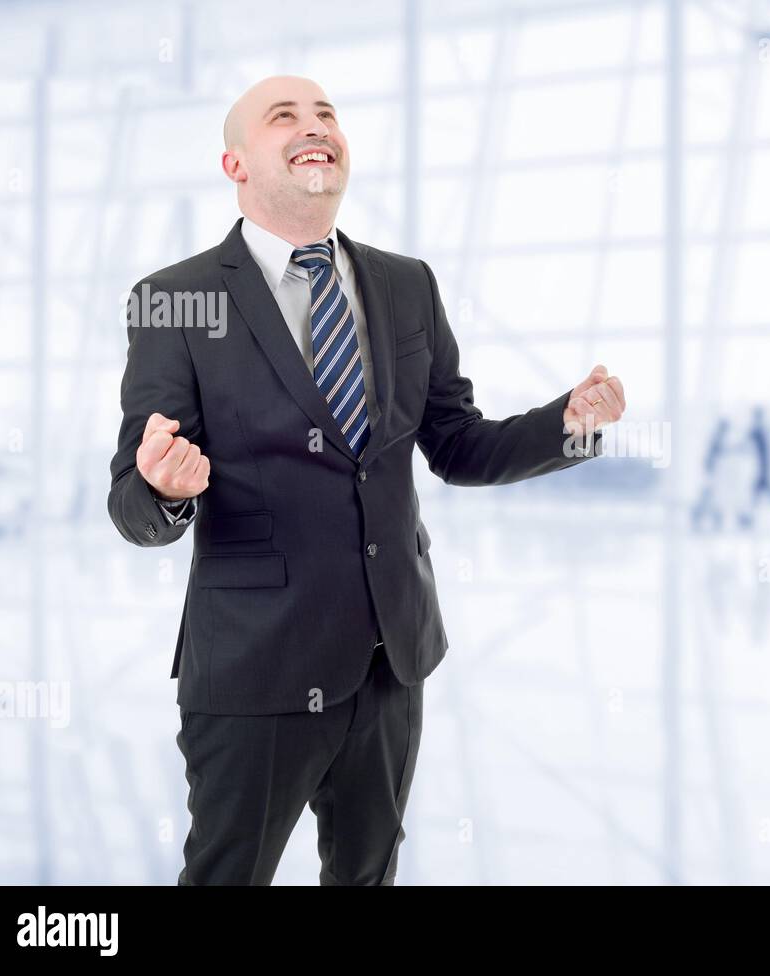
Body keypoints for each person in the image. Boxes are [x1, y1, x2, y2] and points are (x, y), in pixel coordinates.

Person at [107, 76, 624, 885]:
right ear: (235, 164)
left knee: (368, 876)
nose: (315, 127)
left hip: (390, 661)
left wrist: (568, 425)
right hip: (255, 670)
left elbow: (457, 444)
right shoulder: (176, 300)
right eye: (285, 117)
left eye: (327, 115)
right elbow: (130, 501)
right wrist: (165, 489)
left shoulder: (404, 284)